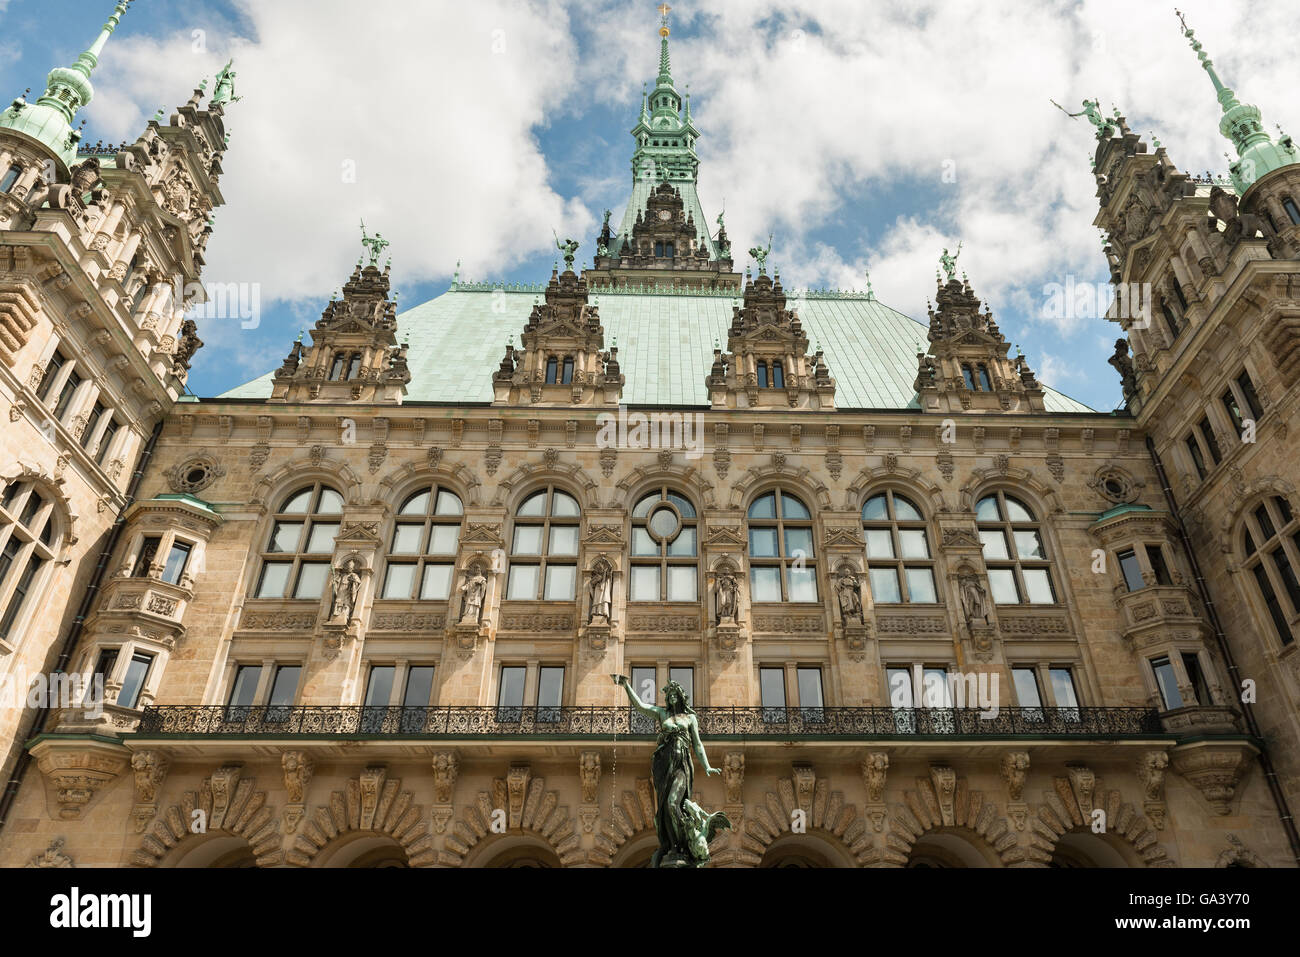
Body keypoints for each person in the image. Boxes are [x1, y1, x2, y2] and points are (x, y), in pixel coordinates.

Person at [612, 675, 730, 867]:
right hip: (664, 763)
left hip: (682, 763)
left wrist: (706, 765)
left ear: (681, 697)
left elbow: (698, 744)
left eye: (676, 694)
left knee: (673, 803)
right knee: (665, 808)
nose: (673, 698)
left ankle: (682, 843)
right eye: (670, 695)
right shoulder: (662, 714)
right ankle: (672, 846)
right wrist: (626, 686)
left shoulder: (690, 718)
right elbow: (641, 706)